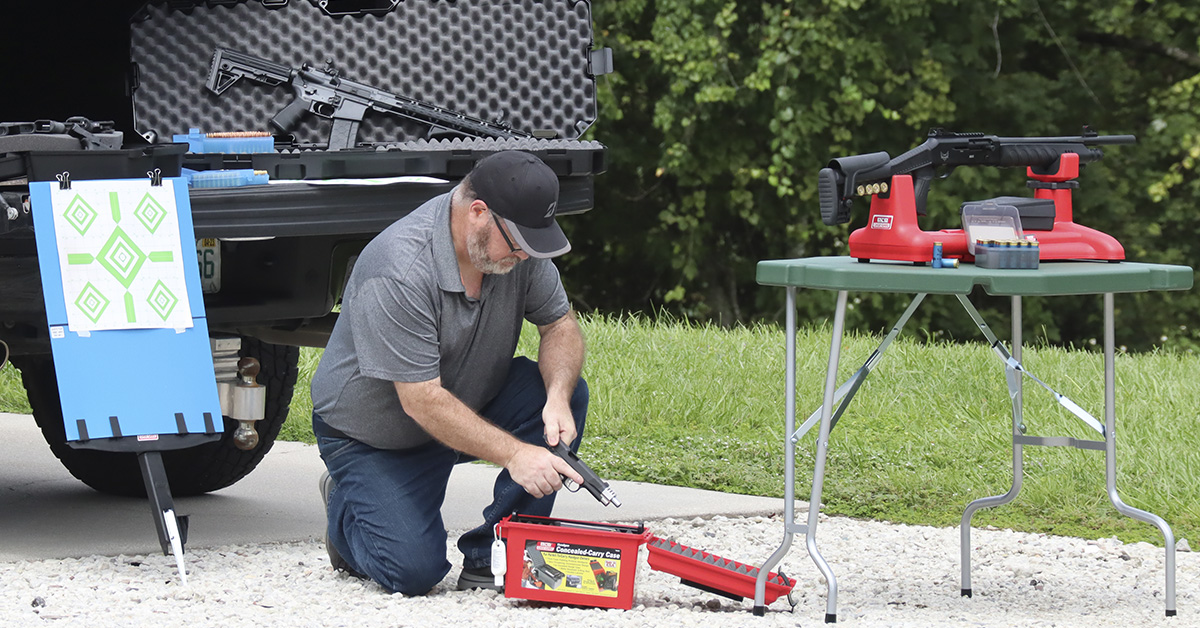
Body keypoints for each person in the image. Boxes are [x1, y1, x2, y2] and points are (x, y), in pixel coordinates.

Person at [309, 150, 588, 595]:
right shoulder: (399, 268)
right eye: (516, 244)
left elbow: (560, 325)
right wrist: (516, 454)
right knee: (413, 573)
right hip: (376, 436)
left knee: (567, 392)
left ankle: (495, 554)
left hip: (463, 399)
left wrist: (556, 396)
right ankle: (347, 513)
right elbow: (422, 399)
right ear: (478, 213)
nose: (523, 256)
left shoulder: (516, 247)